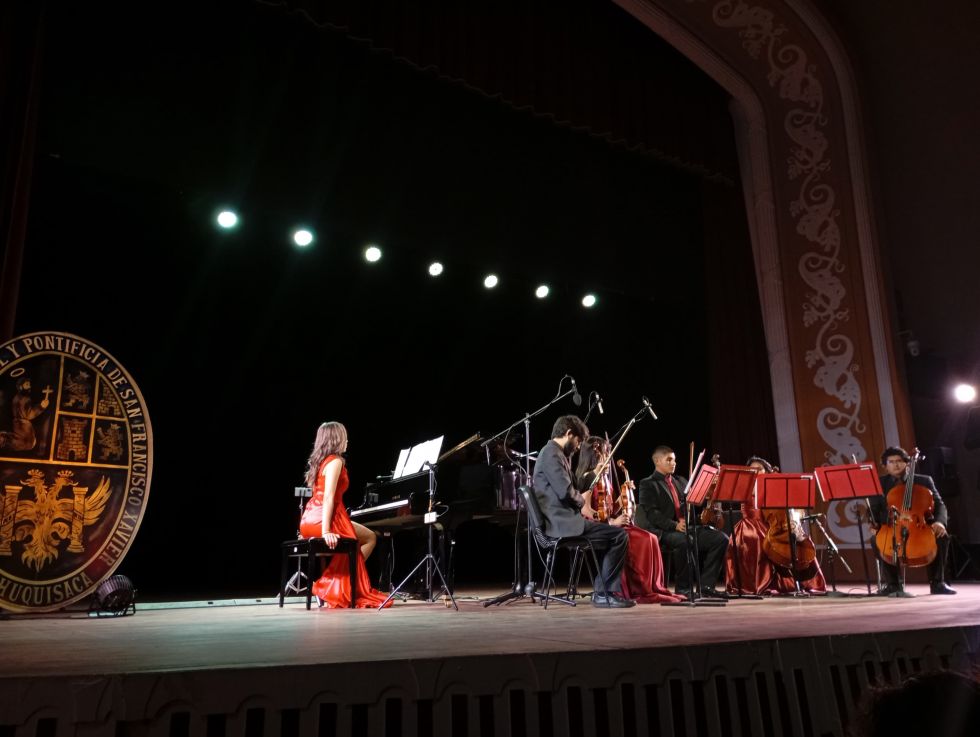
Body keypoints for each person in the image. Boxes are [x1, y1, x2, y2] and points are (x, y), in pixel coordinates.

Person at [532, 416, 634, 608]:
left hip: (561, 521)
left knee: (611, 535)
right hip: (561, 524)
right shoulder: (552, 454)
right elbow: (566, 492)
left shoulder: (555, 454)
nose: (578, 447)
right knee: (619, 536)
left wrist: (590, 480)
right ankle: (604, 593)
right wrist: (581, 500)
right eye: (578, 441)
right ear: (569, 434)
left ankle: (603, 591)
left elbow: (569, 488)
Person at [575, 437, 684, 603]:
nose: (607, 458)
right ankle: (639, 588)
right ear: (593, 455)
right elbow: (586, 510)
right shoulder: (589, 477)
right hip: (595, 526)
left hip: (609, 523)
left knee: (652, 537)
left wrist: (623, 495)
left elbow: (610, 510)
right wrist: (613, 523)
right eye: (604, 454)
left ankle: (653, 587)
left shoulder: (603, 478)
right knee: (644, 539)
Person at [298, 421, 390, 608]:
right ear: (336, 439)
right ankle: (332, 584)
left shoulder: (320, 462)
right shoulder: (336, 461)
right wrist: (325, 531)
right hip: (324, 518)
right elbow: (329, 497)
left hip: (309, 518)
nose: (347, 440)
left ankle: (339, 582)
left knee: (358, 543)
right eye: (344, 436)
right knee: (370, 538)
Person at [634, 445, 729, 598]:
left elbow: (694, 502)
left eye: (675, 460)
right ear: (657, 461)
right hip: (665, 531)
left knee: (720, 539)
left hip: (686, 528)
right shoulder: (648, 484)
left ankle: (706, 586)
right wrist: (674, 525)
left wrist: (709, 488)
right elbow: (652, 514)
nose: (674, 463)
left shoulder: (681, 481)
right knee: (685, 541)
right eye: (669, 460)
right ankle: (683, 588)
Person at [724, 456, 826, 595]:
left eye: (759, 469)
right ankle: (766, 583)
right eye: (752, 470)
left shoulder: (774, 485)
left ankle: (807, 582)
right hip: (750, 525)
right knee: (757, 539)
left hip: (772, 524)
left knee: (796, 540)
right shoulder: (746, 486)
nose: (756, 473)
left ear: (767, 471)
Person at [868, 446, 955, 595]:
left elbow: (940, 505)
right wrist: (873, 523)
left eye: (900, 461)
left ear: (907, 463)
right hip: (892, 526)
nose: (896, 464)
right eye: (891, 462)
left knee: (942, 537)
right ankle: (893, 584)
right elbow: (873, 509)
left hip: (920, 525)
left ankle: (938, 583)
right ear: (885, 465)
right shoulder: (879, 484)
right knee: (876, 539)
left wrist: (940, 522)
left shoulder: (924, 481)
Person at [0, 377, 50, 451]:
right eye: (27, 385)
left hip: (20, 424)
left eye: (29, 385)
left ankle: (4, 438)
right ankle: (3, 438)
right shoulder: (24, 399)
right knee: (26, 444)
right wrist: (41, 406)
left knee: (24, 443)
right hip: (22, 426)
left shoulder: (19, 397)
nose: (29, 387)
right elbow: (28, 415)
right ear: (21, 387)